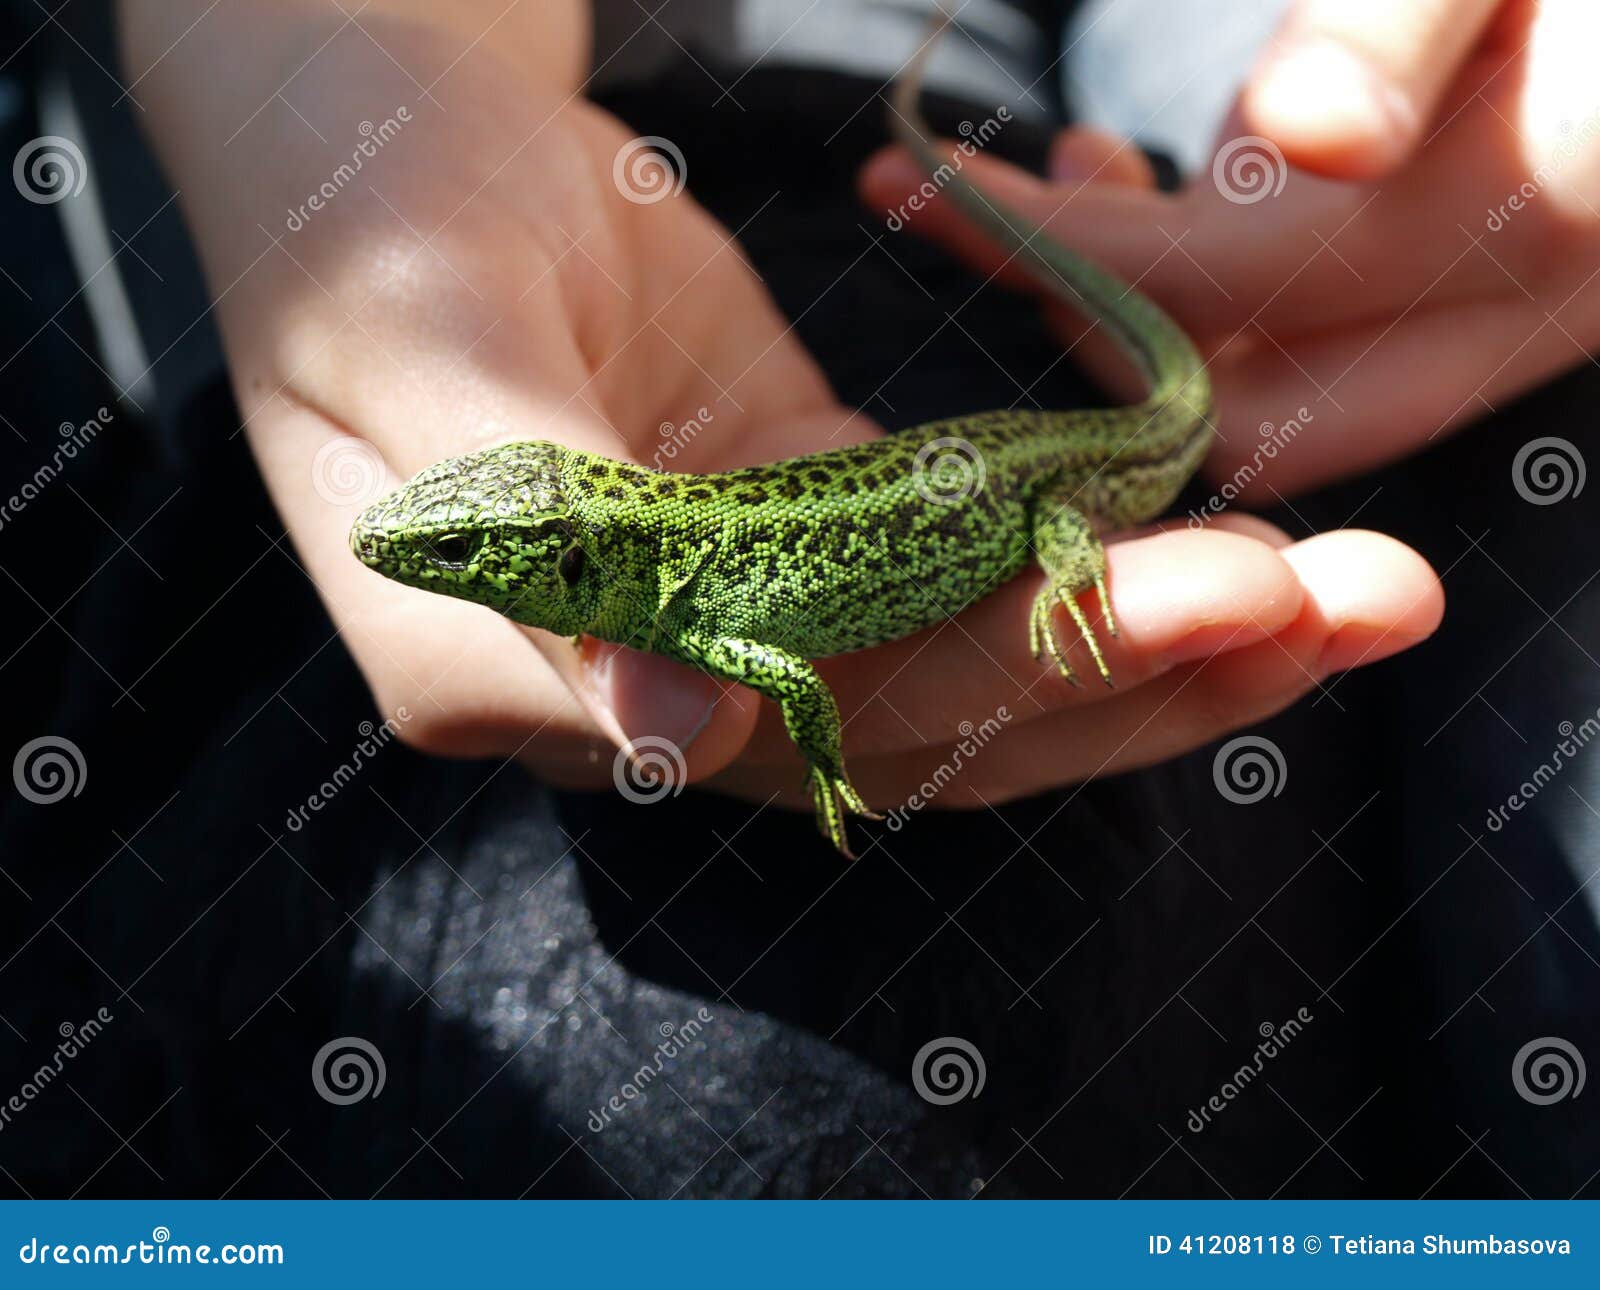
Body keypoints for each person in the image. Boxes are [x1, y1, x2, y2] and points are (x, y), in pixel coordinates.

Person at [1, 0, 1593, 1196]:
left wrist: (837, 752)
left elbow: (791, 673)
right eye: (456, 552)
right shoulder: (640, 567)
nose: (434, 560)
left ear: (559, 563)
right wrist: (345, 68)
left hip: (1071, 432)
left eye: (479, 554)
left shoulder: (690, 608)